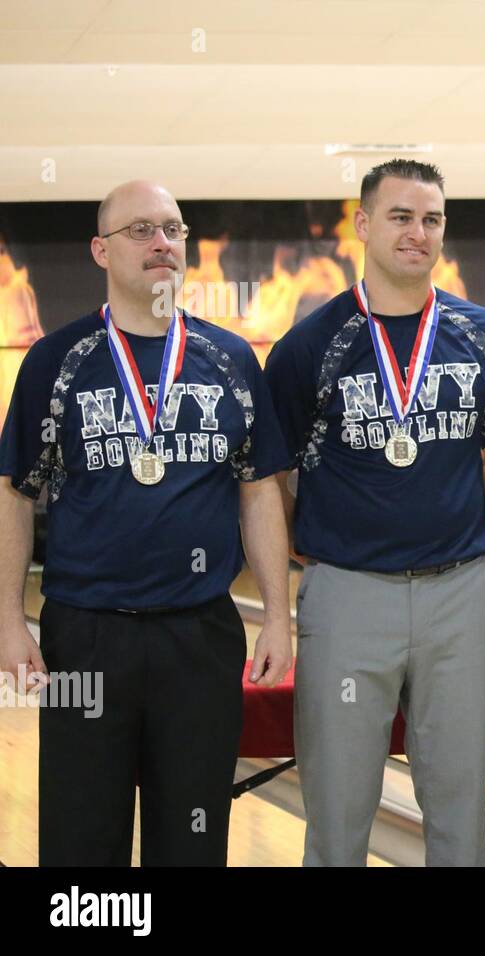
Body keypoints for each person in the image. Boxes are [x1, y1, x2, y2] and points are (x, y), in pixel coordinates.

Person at [0, 180, 292, 866]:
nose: (162, 243)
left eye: (174, 229)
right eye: (141, 230)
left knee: (191, 837)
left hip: (200, 632)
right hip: (85, 634)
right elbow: (16, 493)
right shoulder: (56, 361)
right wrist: (10, 621)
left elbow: (258, 492)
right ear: (101, 250)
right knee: (81, 837)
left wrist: (278, 614)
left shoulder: (230, 359)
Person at [264, 159, 485, 866]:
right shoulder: (310, 344)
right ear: (363, 225)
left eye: (432, 219)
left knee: (459, 812)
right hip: (348, 596)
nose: (418, 232)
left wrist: (459, 526)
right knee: (339, 814)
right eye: (401, 216)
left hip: (462, 595)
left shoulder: (483, 335)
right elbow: (269, 474)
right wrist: (316, 546)